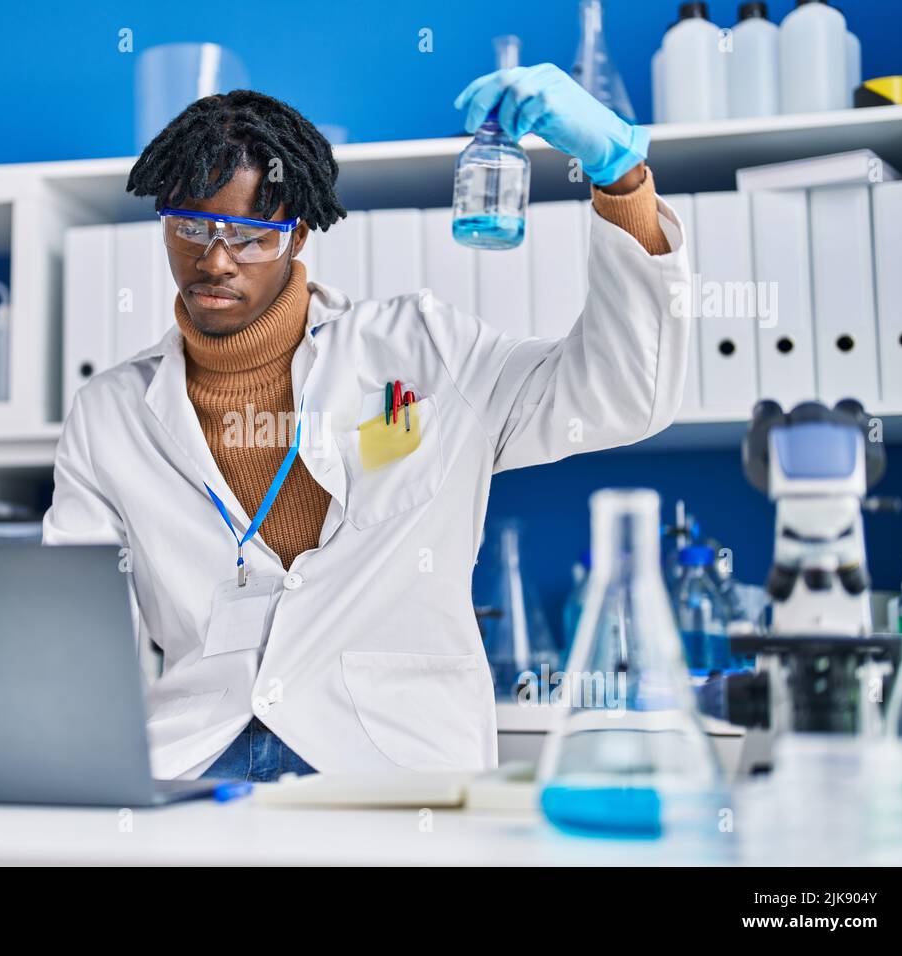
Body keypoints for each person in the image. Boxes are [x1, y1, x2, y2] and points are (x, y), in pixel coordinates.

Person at [43, 65, 690, 782]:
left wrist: (620, 177)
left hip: (392, 764)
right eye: (190, 228)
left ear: (297, 235)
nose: (215, 260)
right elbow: (73, 638)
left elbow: (626, 393)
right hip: (194, 763)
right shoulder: (109, 413)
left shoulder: (425, 350)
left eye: (251, 236)